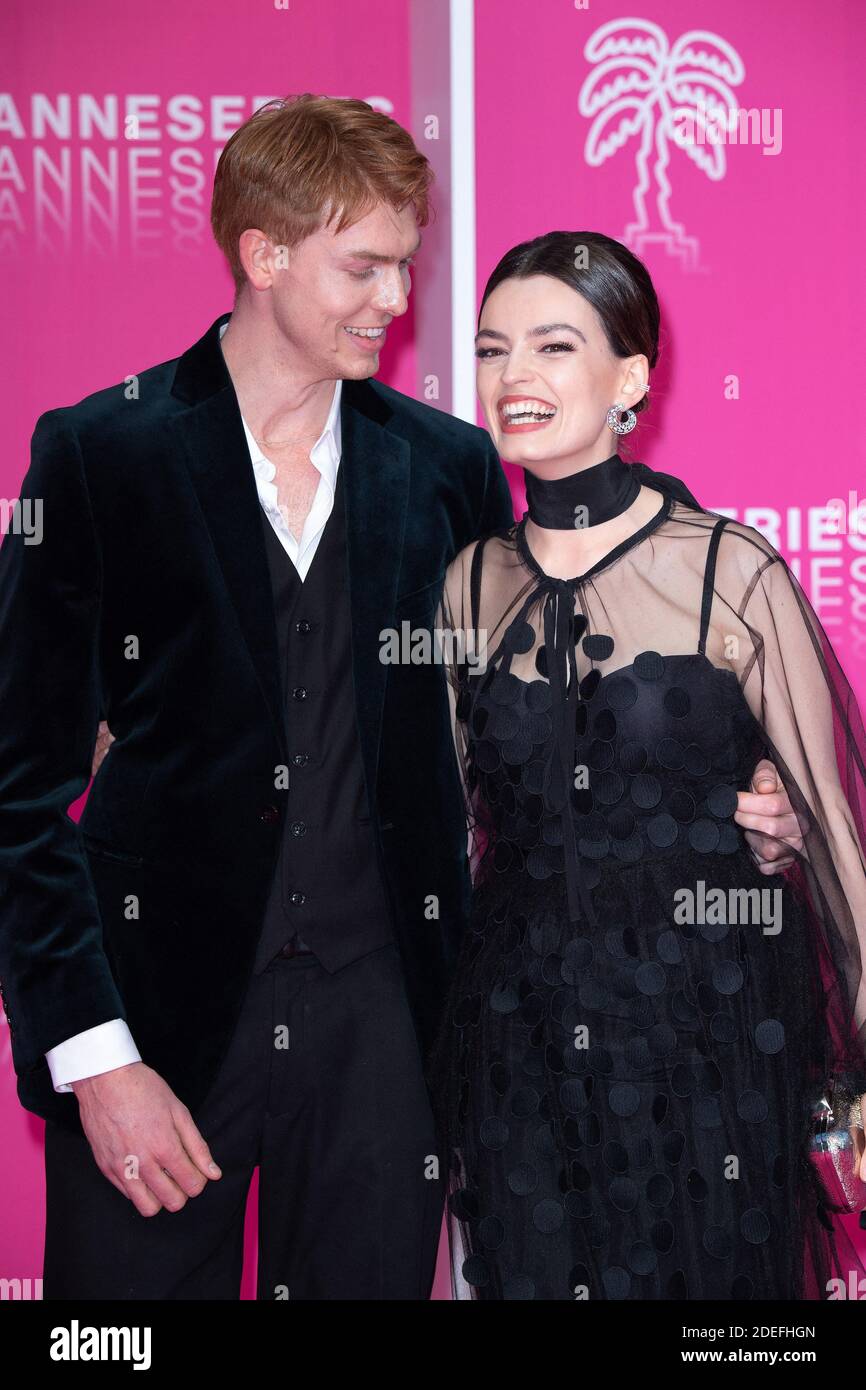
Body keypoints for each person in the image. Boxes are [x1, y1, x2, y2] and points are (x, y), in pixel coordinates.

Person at [0, 99, 793, 1301]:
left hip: (388, 1037)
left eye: (406, 264)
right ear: (263, 257)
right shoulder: (99, 455)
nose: (396, 297)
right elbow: (16, 798)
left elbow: (560, 685)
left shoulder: (445, 467)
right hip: (154, 1028)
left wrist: (738, 786)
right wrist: (94, 1059)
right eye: (361, 266)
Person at [425, 230, 866, 1301]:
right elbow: (442, 830)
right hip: (518, 1048)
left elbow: (842, 853)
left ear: (630, 377)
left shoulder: (727, 569)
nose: (513, 377)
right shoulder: (466, 586)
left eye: (551, 345)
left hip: (710, 1039)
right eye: (490, 350)